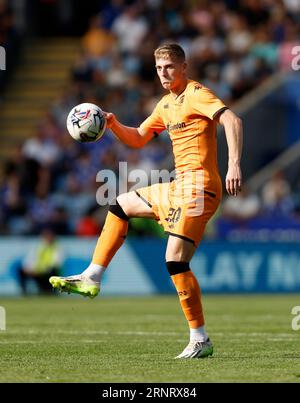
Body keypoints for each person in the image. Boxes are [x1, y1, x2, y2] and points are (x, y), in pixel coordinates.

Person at [50, 43, 243, 359]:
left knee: (175, 260)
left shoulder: (197, 94)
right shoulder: (165, 105)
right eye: (158, 68)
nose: (163, 73)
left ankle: (200, 338)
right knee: (120, 204)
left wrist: (234, 163)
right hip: (179, 186)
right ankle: (93, 275)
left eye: (169, 67)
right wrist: (112, 124)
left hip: (201, 187)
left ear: (183, 67)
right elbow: (138, 138)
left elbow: (232, 120)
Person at [18, 228, 63, 295]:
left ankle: (50, 291)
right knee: (21, 270)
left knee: (53, 271)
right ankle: (24, 292)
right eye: (46, 236)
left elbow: (57, 263)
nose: (48, 238)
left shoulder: (58, 247)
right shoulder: (38, 246)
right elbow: (29, 260)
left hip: (47, 273)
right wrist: (29, 269)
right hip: (36, 272)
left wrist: (40, 271)